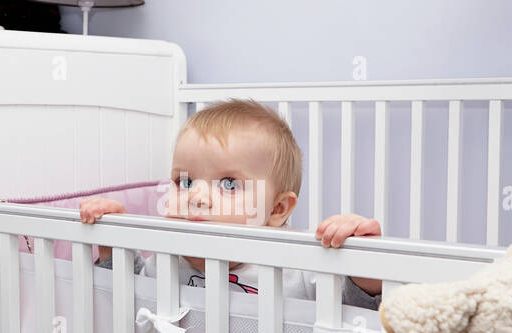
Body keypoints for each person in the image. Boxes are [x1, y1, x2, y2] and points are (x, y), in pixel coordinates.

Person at [80, 99, 382, 307]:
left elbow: (357, 314)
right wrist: (113, 240)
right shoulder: (167, 259)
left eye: (228, 184)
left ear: (277, 210)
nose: (195, 197)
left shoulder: (298, 265)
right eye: (184, 182)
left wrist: (364, 265)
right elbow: (118, 299)